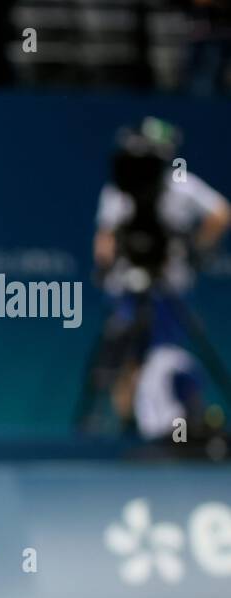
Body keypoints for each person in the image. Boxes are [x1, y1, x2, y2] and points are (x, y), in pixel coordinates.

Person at [90, 117, 230, 444]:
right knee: (125, 363)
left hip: (168, 288)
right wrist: (107, 267)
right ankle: (130, 436)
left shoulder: (182, 184)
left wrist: (196, 250)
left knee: (164, 357)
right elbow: (106, 236)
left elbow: (220, 212)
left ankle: (174, 431)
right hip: (127, 288)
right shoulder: (118, 189)